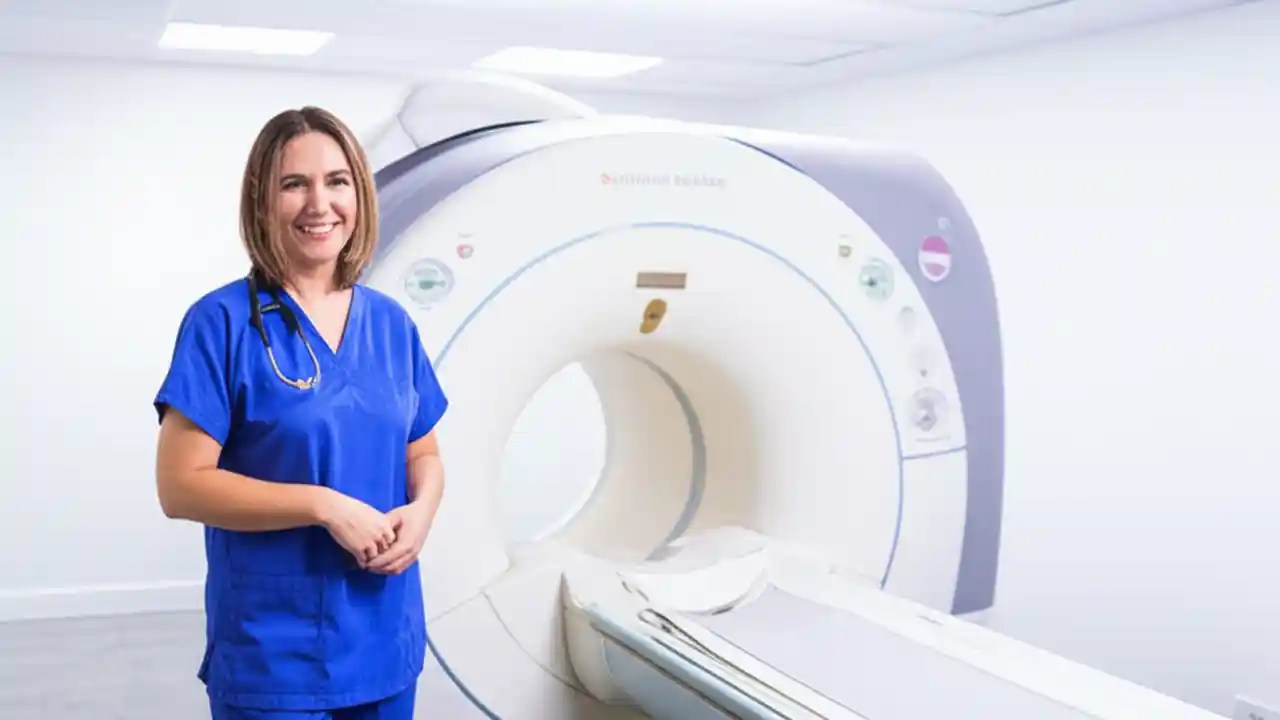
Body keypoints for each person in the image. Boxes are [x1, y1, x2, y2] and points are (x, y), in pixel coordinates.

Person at [153, 106, 448, 720]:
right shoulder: (221, 324)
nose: (320, 203)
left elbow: (422, 451)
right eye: (295, 184)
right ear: (262, 201)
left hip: (384, 634)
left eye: (337, 181)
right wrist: (323, 506)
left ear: (359, 195)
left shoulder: (392, 325)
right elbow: (181, 487)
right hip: (275, 649)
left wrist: (422, 512)